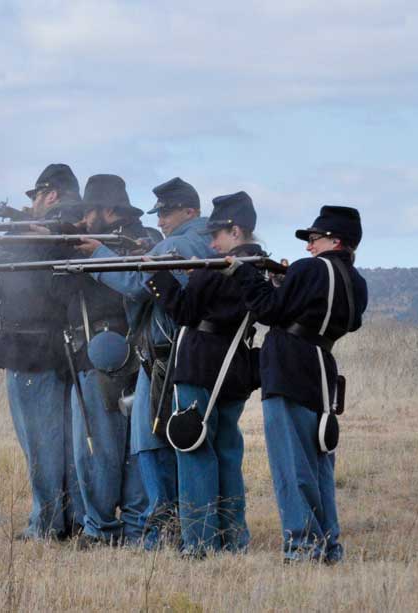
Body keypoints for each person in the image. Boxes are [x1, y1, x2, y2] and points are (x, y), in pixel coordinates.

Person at [76, 177, 214, 549]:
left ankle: (158, 532)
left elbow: (137, 285)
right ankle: (188, 531)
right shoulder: (203, 240)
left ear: (190, 210)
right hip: (187, 353)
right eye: (161, 213)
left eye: (168, 212)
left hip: (163, 356)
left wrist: (99, 255)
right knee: (185, 446)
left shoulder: (179, 243)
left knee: (151, 445)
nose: (163, 219)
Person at [226, 205, 367, 563]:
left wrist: (244, 275)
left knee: (291, 466)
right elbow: (340, 320)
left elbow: (268, 311)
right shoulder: (356, 281)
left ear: (334, 240)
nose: (309, 246)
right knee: (317, 465)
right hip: (321, 369)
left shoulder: (309, 270)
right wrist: (283, 285)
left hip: (288, 367)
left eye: (315, 238)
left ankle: (303, 547)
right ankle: (328, 546)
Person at [0, 164, 84, 540]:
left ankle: (48, 524)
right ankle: (70, 518)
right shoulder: (65, 227)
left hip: (33, 349)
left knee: (42, 444)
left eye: (36, 198)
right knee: (59, 444)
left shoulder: (50, 229)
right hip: (49, 348)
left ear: (50, 195)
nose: (32, 206)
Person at [144, 192, 262, 556]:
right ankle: (232, 539)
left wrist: (157, 275)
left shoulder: (220, 270)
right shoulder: (258, 267)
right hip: (233, 367)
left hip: (198, 365)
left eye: (219, 234)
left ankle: (198, 542)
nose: (212, 243)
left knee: (192, 446)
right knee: (226, 452)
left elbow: (184, 310)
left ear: (237, 231)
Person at [53, 174, 160, 547]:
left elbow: (135, 284)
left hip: (113, 356)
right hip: (112, 355)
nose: (84, 220)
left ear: (109, 211)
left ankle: (106, 529)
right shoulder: (116, 242)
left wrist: (95, 252)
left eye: (90, 212)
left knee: (100, 451)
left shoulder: (141, 242)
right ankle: (127, 527)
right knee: (117, 449)